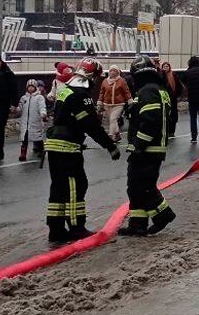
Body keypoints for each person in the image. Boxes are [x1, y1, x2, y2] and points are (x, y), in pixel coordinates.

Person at [44, 62, 120, 243]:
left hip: (55, 145)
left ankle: (55, 230)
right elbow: (91, 125)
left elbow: (66, 118)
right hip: (67, 147)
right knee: (76, 186)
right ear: (93, 76)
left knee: (58, 187)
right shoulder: (81, 95)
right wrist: (110, 146)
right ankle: (77, 227)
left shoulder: (66, 89)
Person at [118, 55, 177, 237]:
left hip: (147, 149)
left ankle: (163, 214)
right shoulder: (158, 89)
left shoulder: (148, 91)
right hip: (154, 148)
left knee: (142, 186)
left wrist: (139, 146)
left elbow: (150, 121)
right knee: (135, 186)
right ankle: (137, 224)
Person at [16, 80, 48, 162]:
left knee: (37, 137)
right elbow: (20, 107)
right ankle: (23, 154)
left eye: (32, 87)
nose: (30, 88)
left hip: (35, 121)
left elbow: (42, 107)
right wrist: (16, 109)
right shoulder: (23, 98)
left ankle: (41, 150)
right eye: (29, 87)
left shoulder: (39, 98)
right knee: (24, 138)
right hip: (25, 122)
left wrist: (43, 113)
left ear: (35, 88)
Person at [98, 66, 131, 143]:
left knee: (113, 119)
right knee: (112, 121)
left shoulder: (122, 81)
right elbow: (102, 93)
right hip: (107, 104)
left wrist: (130, 100)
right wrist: (100, 102)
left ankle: (110, 136)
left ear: (117, 72)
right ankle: (117, 135)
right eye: (111, 70)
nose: (112, 72)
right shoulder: (105, 81)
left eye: (114, 71)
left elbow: (126, 92)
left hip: (119, 104)